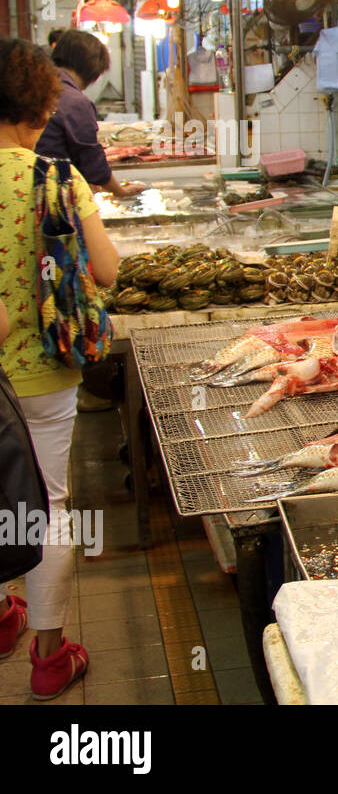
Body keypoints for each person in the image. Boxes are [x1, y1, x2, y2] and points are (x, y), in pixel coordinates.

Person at [0, 37, 120, 700]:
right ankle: (49, 656)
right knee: (44, 505)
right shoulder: (54, 179)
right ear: (42, 104)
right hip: (44, 376)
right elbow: (104, 270)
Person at [38, 30, 145, 199]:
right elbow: (91, 161)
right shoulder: (74, 101)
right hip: (48, 193)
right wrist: (119, 191)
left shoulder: (39, 84)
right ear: (93, 68)